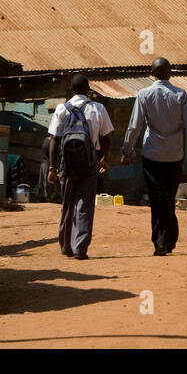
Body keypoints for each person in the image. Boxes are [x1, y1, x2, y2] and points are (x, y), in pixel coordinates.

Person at [121, 57, 187, 255]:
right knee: (168, 196)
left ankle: (161, 242)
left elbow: (134, 126)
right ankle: (168, 239)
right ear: (170, 73)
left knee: (157, 197)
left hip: (152, 154)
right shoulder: (180, 95)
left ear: (152, 74)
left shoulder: (144, 94)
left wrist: (127, 151)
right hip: (174, 155)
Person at [47, 74, 113, 260]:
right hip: (89, 163)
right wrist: (106, 159)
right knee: (84, 204)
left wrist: (52, 168)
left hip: (66, 165)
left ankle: (65, 246)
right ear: (88, 89)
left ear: (71, 90)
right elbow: (107, 137)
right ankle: (80, 248)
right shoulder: (97, 108)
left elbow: (54, 139)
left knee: (67, 204)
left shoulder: (62, 108)